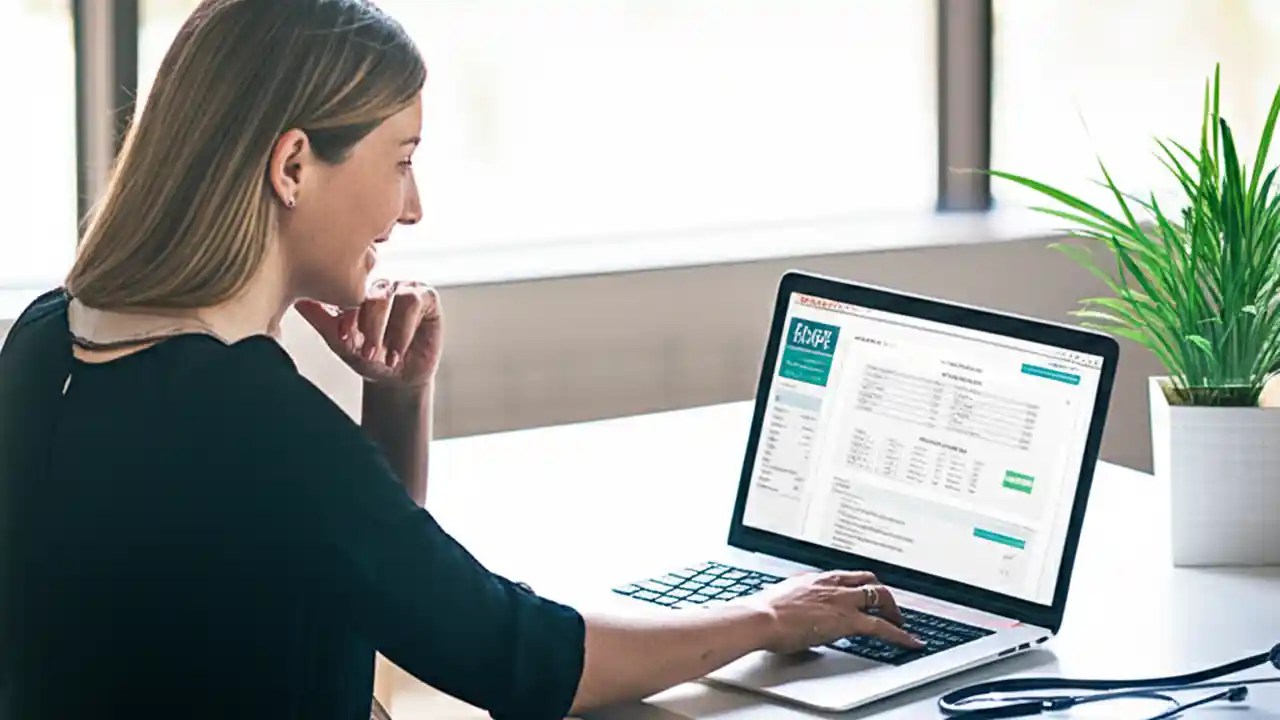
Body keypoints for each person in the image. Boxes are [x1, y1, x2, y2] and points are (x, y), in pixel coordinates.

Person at [0, 1, 922, 718]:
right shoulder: (244, 413)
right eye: (401, 160)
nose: (412, 209)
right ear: (291, 167)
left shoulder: (48, 338)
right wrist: (768, 617)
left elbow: (378, 586)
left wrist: (396, 402)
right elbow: (517, 658)